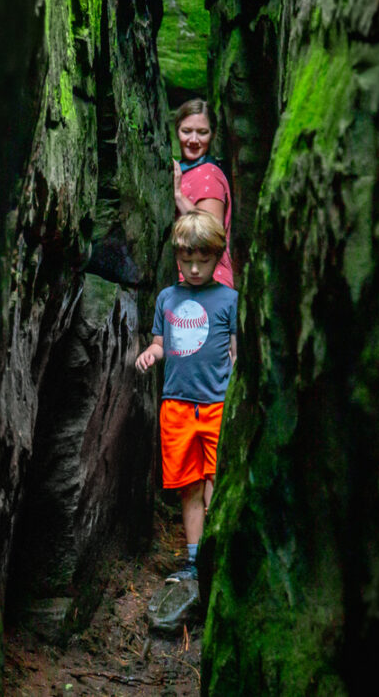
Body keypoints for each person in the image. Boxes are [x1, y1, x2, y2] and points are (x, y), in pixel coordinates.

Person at [136, 211, 238, 582]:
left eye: (203, 261)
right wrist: (151, 353)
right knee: (188, 485)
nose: (194, 269)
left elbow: (234, 351)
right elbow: (161, 344)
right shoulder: (167, 297)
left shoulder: (229, 300)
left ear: (217, 257)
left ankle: (215, 556)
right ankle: (194, 562)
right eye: (186, 261)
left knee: (216, 480)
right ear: (177, 257)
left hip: (216, 405)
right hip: (176, 405)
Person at [173, 98, 234, 288]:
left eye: (202, 133)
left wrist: (178, 196)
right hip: (192, 282)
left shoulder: (208, 174)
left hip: (209, 284)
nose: (193, 140)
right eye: (186, 131)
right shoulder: (185, 170)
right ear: (176, 131)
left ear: (213, 135)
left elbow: (211, 233)